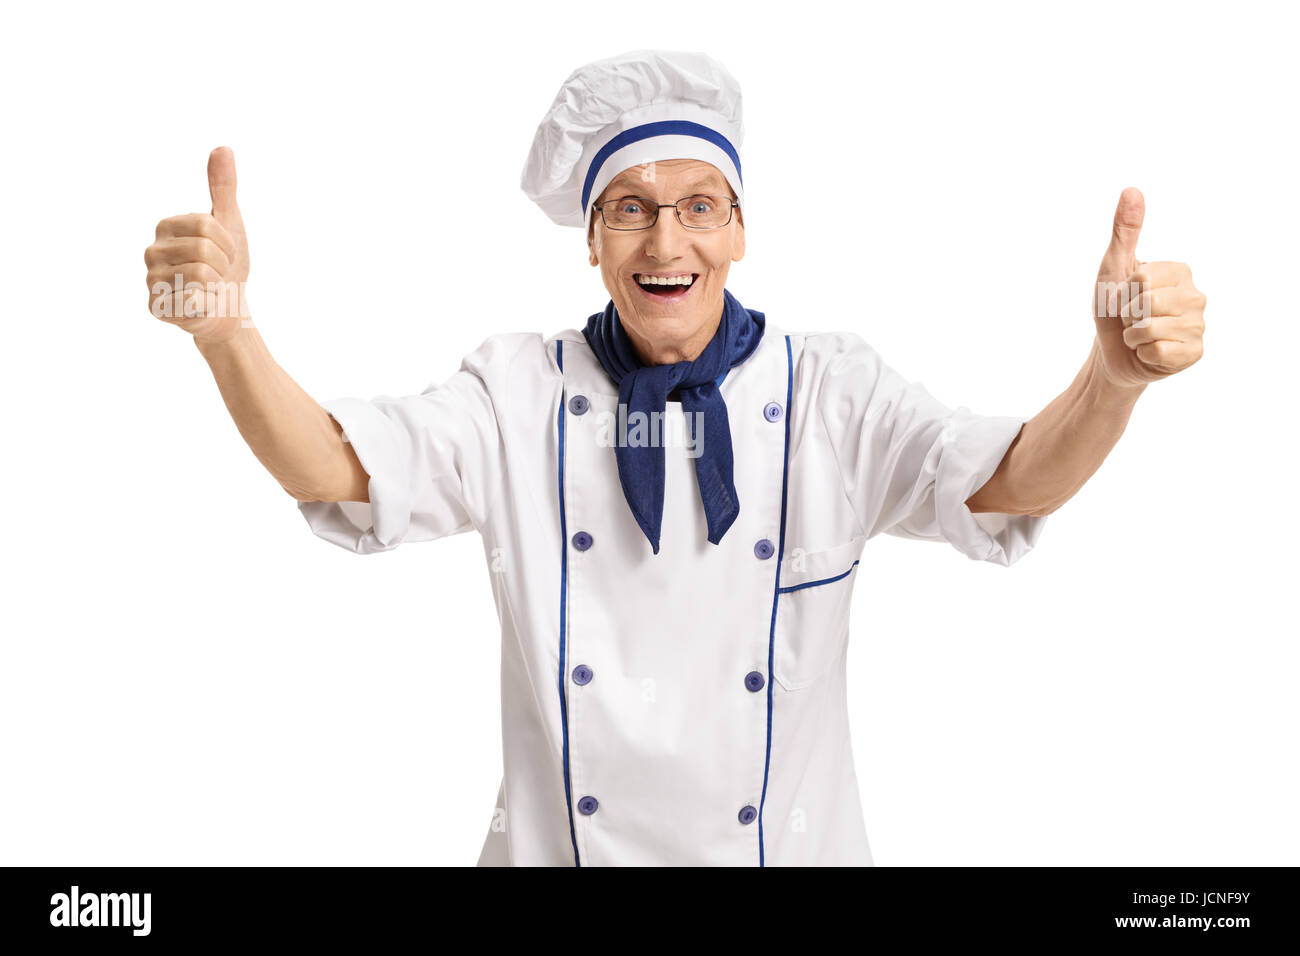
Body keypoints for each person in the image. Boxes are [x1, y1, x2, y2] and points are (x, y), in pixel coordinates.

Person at [143, 49, 1207, 866]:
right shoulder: (517, 392)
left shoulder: (833, 392)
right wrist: (229, 335)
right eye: (631, 211)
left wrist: (1109, 379)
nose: (666, 244)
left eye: (698, 207)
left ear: (740, 229)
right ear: (593, 239)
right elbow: (336, 465)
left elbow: (1009, 478)